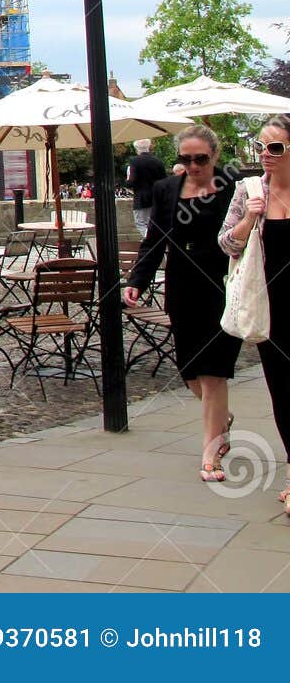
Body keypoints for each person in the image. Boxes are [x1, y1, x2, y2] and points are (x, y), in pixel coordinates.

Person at [124, 126, 238, 483]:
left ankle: (210, 452)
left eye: (200, 158)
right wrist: (137, 281)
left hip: (221, 281)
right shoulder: (166, 188)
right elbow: (155, 239)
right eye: (185, 159)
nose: (193, 166)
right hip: (182, 281)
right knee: (190, 370)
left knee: (214, 370)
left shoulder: (231, 186)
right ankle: (221, 418)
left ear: (214, 155)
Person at [221, 114, 290, 513]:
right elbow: (226, 244)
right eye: (260, 146)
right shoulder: (248, 191)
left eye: (275, 147)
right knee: (283, 392)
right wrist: (250, 217)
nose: (265, 154)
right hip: (268, 309)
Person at [126, 139, 166, 238]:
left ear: (137, 149)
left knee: (140, 222)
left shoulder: (134, 161)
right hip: (157, 197)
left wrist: (127, 182)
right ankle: (155, 239)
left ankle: (150, 240)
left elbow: (132, 180)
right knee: (155, 222)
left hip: (141, 197)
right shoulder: (158, 161)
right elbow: (164, 180)